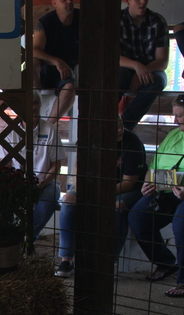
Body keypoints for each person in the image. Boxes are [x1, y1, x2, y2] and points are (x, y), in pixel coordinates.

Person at [128, 93, 184, 297]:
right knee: (138, 216)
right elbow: (155, 164)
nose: (175, 120)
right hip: (169, 190)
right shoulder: (175, 135)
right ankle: (165, 262)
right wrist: (148, 182)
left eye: (180, 116)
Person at [55, 116, 147, 277]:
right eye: (114, 127)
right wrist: (86, 193)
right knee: (68, 201)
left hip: (125, 190)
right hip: (93, 187)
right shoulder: (88, 140)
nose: (119, 130)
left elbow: (129, 183)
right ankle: (66, 259)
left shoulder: (132, 142)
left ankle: (108, 261)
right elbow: (78, 175)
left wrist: (98, 195)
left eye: (120, 125)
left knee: (117, 207)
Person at [0, 90, 66, 240]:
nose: (34, 107)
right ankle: (9, 236)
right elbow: (6, 165)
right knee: (0, 198)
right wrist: (16, 184)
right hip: (18, 182)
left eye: (36, 103)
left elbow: (56, 165)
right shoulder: (9, 131)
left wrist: (43, 182)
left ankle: (28, 237)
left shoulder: (50, 130)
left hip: (46, 183)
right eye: (29, 103)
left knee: (49, 198)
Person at [119, 0, 169, 132]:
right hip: (125, 67)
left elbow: (162, 61)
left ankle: (124, 126)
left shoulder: (157, 21)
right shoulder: (117, 20)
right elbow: (111, 57)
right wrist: (136, 66)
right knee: (114, 77)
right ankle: (105, 121)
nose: (143, 1)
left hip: (151, 69)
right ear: (127, 0)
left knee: (158, 81)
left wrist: (142, 70)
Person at [33, 0, 80, 125]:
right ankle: (34, 108)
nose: (69, 2)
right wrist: (57, 61)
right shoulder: (45, 23)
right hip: (48, 69)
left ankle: (49, 126)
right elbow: (34, 50)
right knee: (32, 63)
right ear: (54, 3)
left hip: (71, 71)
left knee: (70, 87)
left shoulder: (82, 19)